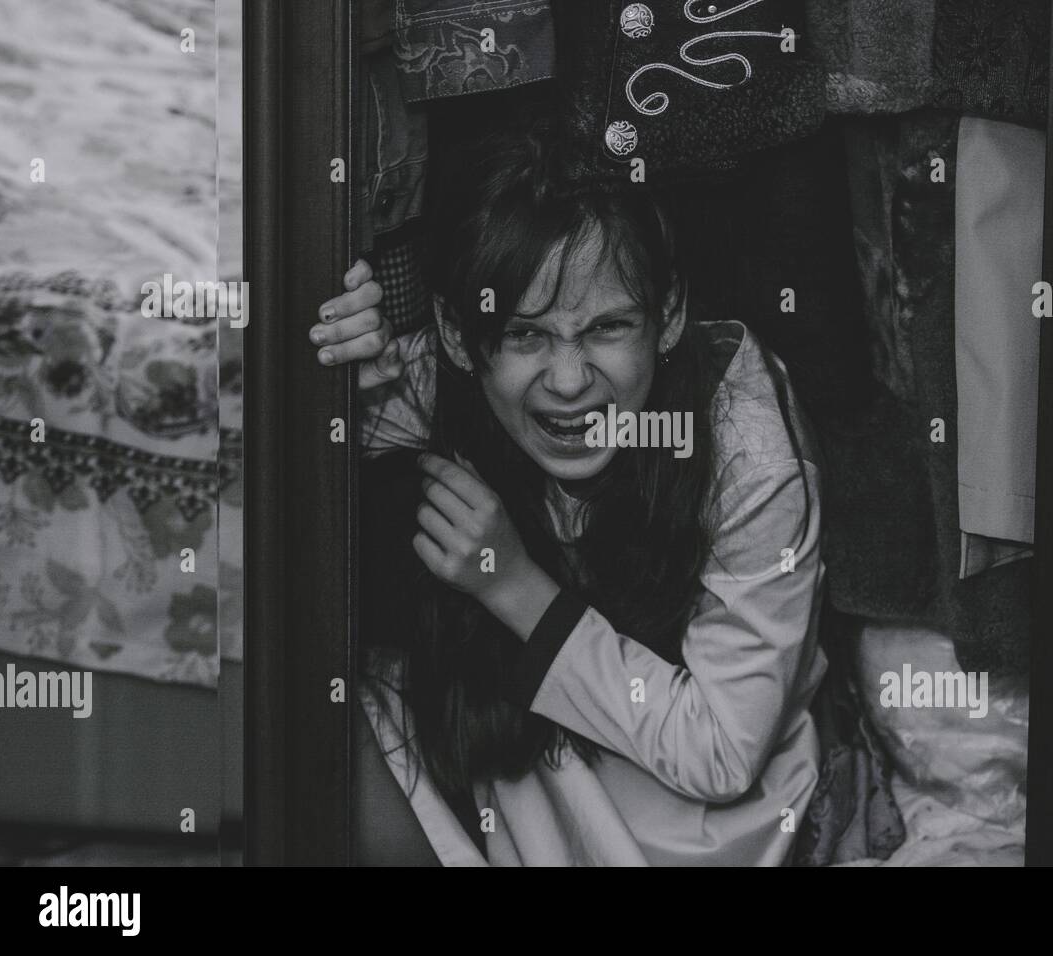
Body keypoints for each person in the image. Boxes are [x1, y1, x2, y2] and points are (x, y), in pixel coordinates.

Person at [311, 126, 827, 865]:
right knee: (327, 693)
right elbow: (290, 479)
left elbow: (721, 753)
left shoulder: (745, 445)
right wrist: (330, 380)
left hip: (692, 808)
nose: (568, 380)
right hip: (533, 760)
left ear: (670, 314)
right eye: (526, 336)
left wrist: (515, 585)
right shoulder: (434, 380)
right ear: (459, 338)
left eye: (607, 328)